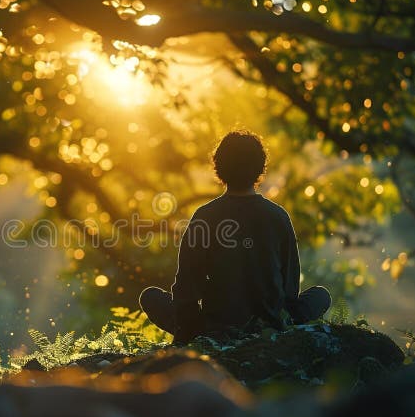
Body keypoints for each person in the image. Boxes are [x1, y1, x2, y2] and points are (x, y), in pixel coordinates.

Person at [140, 130, 331, 344]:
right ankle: (282, 332)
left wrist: (189, 331)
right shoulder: (278, 217)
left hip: (215, 328)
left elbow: (186, 286)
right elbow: (289, 287)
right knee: (320, 296)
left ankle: (199, 333)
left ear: (218, 168)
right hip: (270, 326)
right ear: (260, 169)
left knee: (150, 296)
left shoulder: (204, 216)